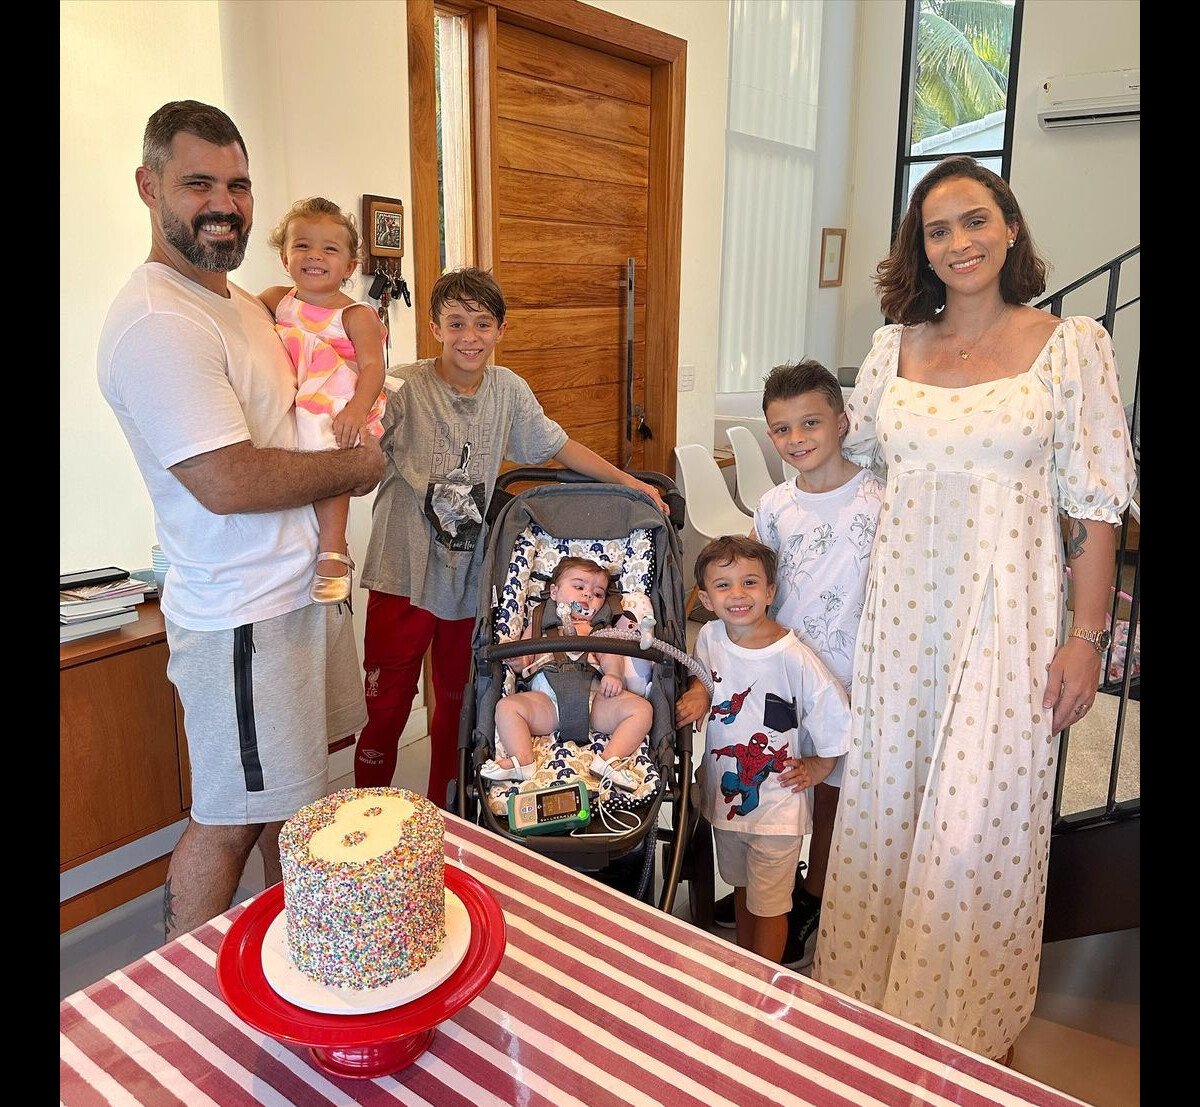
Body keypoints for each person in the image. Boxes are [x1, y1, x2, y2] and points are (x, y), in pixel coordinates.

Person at [810, 155, 1137, 1064]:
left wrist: (1086, 637)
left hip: (1008, 616)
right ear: (921, 247)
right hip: (903, 616)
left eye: (975, 220)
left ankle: (952, 1027)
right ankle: (865, 1006)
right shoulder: (894, 349)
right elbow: (856, 471)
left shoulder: (1071, 349)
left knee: (974, 822)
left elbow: (1096, 508)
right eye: (939, 229)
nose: (959, 242)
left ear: (1011, 228)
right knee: (888, 807)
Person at [97, 101, 385, 942]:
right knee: (230, 815)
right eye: (198, 183)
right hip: (242, 618)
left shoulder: (243, 305)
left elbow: (314, 396)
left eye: (239, 184)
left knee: (296, 805)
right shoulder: (160, 321)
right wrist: (360, 465)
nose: (224, 202)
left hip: (299, 592)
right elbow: (226, 479)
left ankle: (290, 954)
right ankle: (185, 996)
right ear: (149, 187)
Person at [354, 266, 669, 806]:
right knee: (386, 706)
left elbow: (560, 445)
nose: (468, 337)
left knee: (457, 706)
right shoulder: (402, 388)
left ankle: (444, 817)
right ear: (434, 327)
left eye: (481, 324)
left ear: (501, 329)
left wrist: (629, 483)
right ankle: (362, 810)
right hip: (401, 571)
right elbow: (352, 442)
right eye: (455, 323)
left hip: (469, 577)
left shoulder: (508, 390)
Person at [712, 359, 884, 969]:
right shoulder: (775, 505)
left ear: (842, 422)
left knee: (833, 784)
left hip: (851, 673)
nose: (797, 440)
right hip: (780, 672)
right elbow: (764, 584)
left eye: (810, 423)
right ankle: (769, 884)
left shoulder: (877, 497)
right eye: (781, 430)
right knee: (775, 777)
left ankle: (813, 896)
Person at [676, 536, 851, 962]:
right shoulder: (711, 638)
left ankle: (763, 980)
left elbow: (833, 711)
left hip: (777, 808)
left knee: (771, 906)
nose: (737, 595)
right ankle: (744, 963)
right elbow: (705, 676)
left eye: (750, 583)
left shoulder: (792, 657)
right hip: (727, 800)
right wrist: (699, 691)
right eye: (723, 585)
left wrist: (820, 763)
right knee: (741, 889)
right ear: (705, 597)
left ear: (770, 592)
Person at [259, 197, 389, 606]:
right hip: (296, 394)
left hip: (337, 397)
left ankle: (334, 548)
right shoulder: (276, 298)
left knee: (325, 449)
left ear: (349, 266)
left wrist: (354, 411)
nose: (314, 256)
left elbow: (373, 368)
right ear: (284, 256)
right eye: (302, 245)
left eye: (329, 249)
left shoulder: (356, 315)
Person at [481, 556, 653, 790]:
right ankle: (523, 760)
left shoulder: (601, 630)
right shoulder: (540, 622)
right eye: (579, 587)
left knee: (642, 710)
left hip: (594, 702)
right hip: (547, 703)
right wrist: (518, 661)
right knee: (507, 707)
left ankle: (608, 760)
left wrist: (613, 675)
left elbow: (610, 656)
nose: (588, 596)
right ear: (554, 592)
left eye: (599, 593)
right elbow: (525, 659)